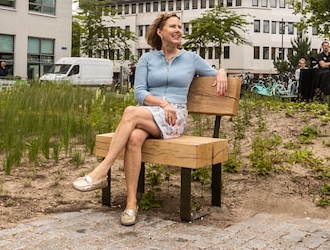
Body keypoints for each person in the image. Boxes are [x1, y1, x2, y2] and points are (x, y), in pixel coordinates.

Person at [72, 13, 227, 226]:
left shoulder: (191, 58)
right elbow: (139, 92)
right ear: (160, 32)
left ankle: (102, 171)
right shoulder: (147, 59)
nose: (178, 30)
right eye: (172, 26)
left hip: (174, 118)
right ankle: (131, 204)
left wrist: (222, 71)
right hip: (150, 113)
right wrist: (163, 103)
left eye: (180, 27)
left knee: (130, 112)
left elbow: (213, 72)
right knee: (134, 137)